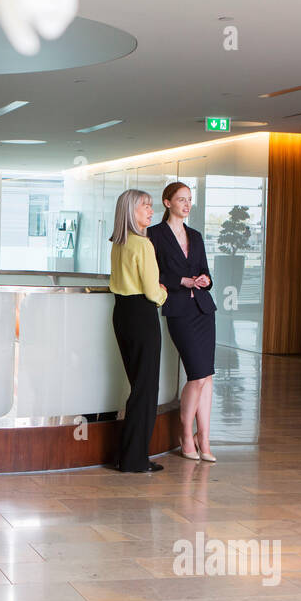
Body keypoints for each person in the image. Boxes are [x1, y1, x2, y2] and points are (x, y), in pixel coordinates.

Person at [147, 181, 217, 462]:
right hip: (178, 310)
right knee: (197, 375)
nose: (187, 205)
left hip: (203, 310)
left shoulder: (196, 236)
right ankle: (186, 434)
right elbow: (153, 276)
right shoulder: (153, 235)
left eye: (190, 200)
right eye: (181, 200)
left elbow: (206, 273)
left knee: (207, 376)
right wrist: (181, 281)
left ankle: (205, 438)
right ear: (167, 203)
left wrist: (204, 280)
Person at [108, 189, 169, 473]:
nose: (151, 210)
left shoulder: (118, 244)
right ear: (131, 211)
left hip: (121, 313)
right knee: (146, 389)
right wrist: (163, 294)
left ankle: (127, 456)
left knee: (138, 387)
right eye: (145, 206)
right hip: (142, 315)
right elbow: (151, 290)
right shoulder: (143, 245)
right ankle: (134, 459)